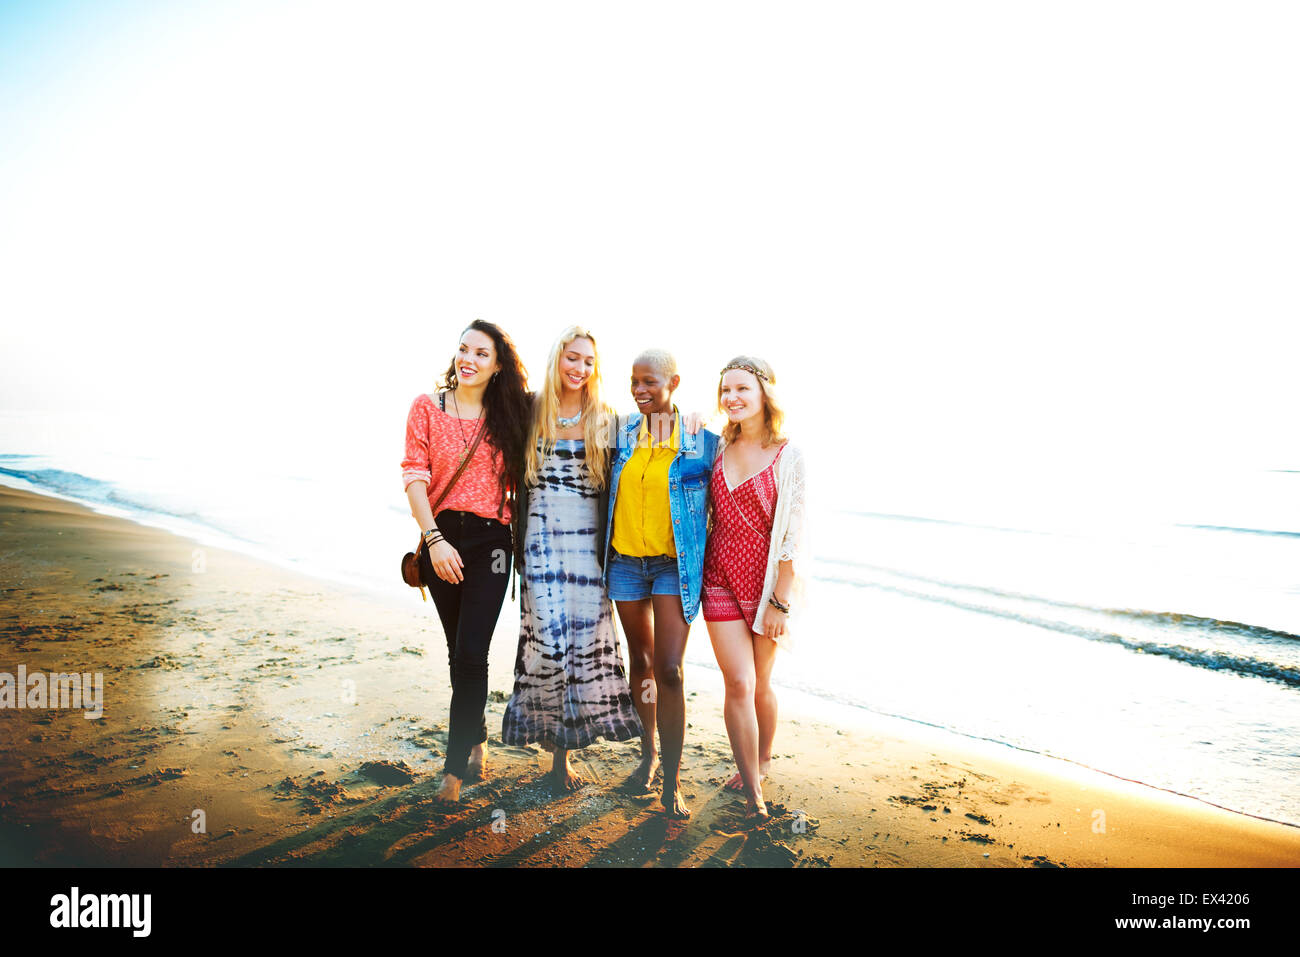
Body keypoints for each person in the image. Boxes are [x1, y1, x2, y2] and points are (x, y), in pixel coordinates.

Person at [501, 327, 645, 791]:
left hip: (586, 550)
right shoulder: (531, 408)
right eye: (573, 358)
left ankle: (562, 756)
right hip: (540, 542)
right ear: (556, 357)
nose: (580, 369)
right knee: (547, 641)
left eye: (588, 362)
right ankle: (550, 747)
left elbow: (654, 449)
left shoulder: (604, 417)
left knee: (580, 646)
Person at [400, 320, 531, 804]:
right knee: (459, 652)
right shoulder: (427, 408)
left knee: (473, 652)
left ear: (498, 365)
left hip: (492, 544)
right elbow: (414, 476)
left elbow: (570, 411)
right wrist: (433, 540)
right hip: (442, 540)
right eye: (463, 349)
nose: (468, 359)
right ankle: (476, 737)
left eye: (481, 353)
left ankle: (452, 773)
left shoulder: (511, 415)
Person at [605, 349, 719, 819]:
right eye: (633, 382)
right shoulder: (620, 433)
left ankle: (672, 782)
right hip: (627, 563)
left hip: (674, 566)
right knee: (643, 662)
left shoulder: (700, 440)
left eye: (649, 381)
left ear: (673, 381)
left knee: (669, 670)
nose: (639, 390)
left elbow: (743, 454)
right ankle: (648, 755)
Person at [702, 355, 807, 825]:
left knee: (761, 683)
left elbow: (794, 534)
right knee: (739, 682)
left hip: (766, 587)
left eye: (742, 388)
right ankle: (753, 790)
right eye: (726, 390)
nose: (732, 398)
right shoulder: (714, 450)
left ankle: (762, 758)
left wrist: (782, 600)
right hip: (718, 577)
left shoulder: (788, 455)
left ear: (765, 393)